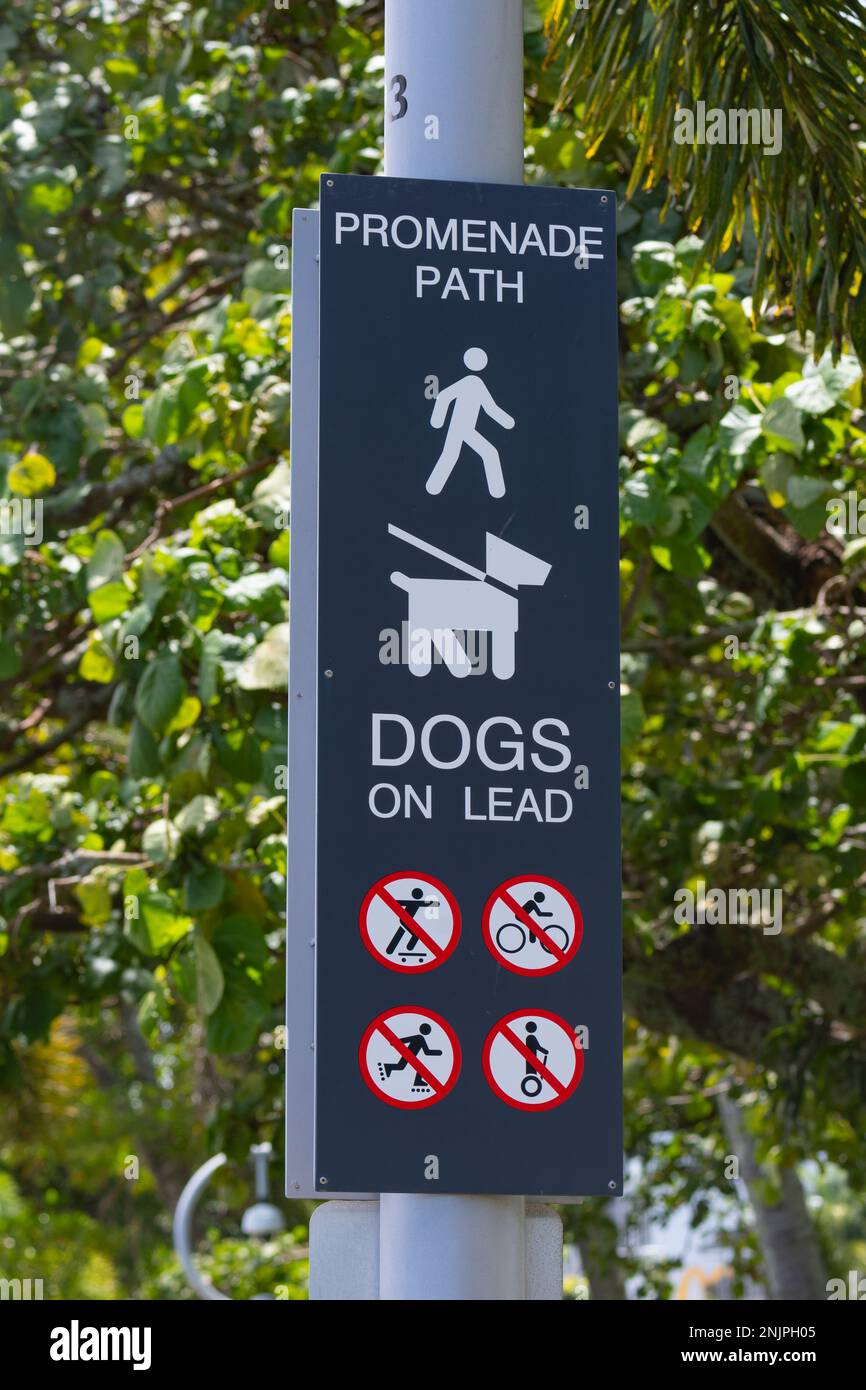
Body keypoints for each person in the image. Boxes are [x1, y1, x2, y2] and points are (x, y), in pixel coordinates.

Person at [425, 347, 515, 498]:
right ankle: (432, 488)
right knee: (486, 453)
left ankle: (433, 487)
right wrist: (437, 420)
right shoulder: (470, 382)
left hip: (464, 429)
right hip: (459, 428)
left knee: (454, 455)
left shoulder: (475, 383)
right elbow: (445, 396)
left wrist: (506, 421)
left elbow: (489, 408)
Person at [379, 1022, 443, 1092]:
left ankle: (389, 1067)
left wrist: (438, 1052)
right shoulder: (419, 1037)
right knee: (417, 1067)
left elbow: (426, 1051)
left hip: (410, 1055)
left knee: (401, 1066)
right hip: (408, 1054)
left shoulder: (420, 1037)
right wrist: (394, 1042)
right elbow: (426, 1051)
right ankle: (417, 1081)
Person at [386, 885, 440, 956]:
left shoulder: (413, 902)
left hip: (406, 921)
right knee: (411, 933)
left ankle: (395, 949)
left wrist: (435, 903)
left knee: (408, 932)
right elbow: (395, 902)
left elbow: (432, 903)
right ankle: (393, 950)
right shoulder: (413, 902)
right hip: (404, 920)